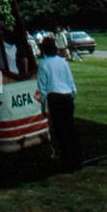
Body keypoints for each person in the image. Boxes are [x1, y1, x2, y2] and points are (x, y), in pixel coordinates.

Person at [37, 37, 81, 171]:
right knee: (70, 129)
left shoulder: (43, 64)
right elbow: (70, 80)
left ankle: (66, 162)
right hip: (67, 97)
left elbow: (42, 88)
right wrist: (72, 95)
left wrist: (42, 107)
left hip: (55, 98)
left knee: (60, 131)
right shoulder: (63, 62)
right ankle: (76, 160)